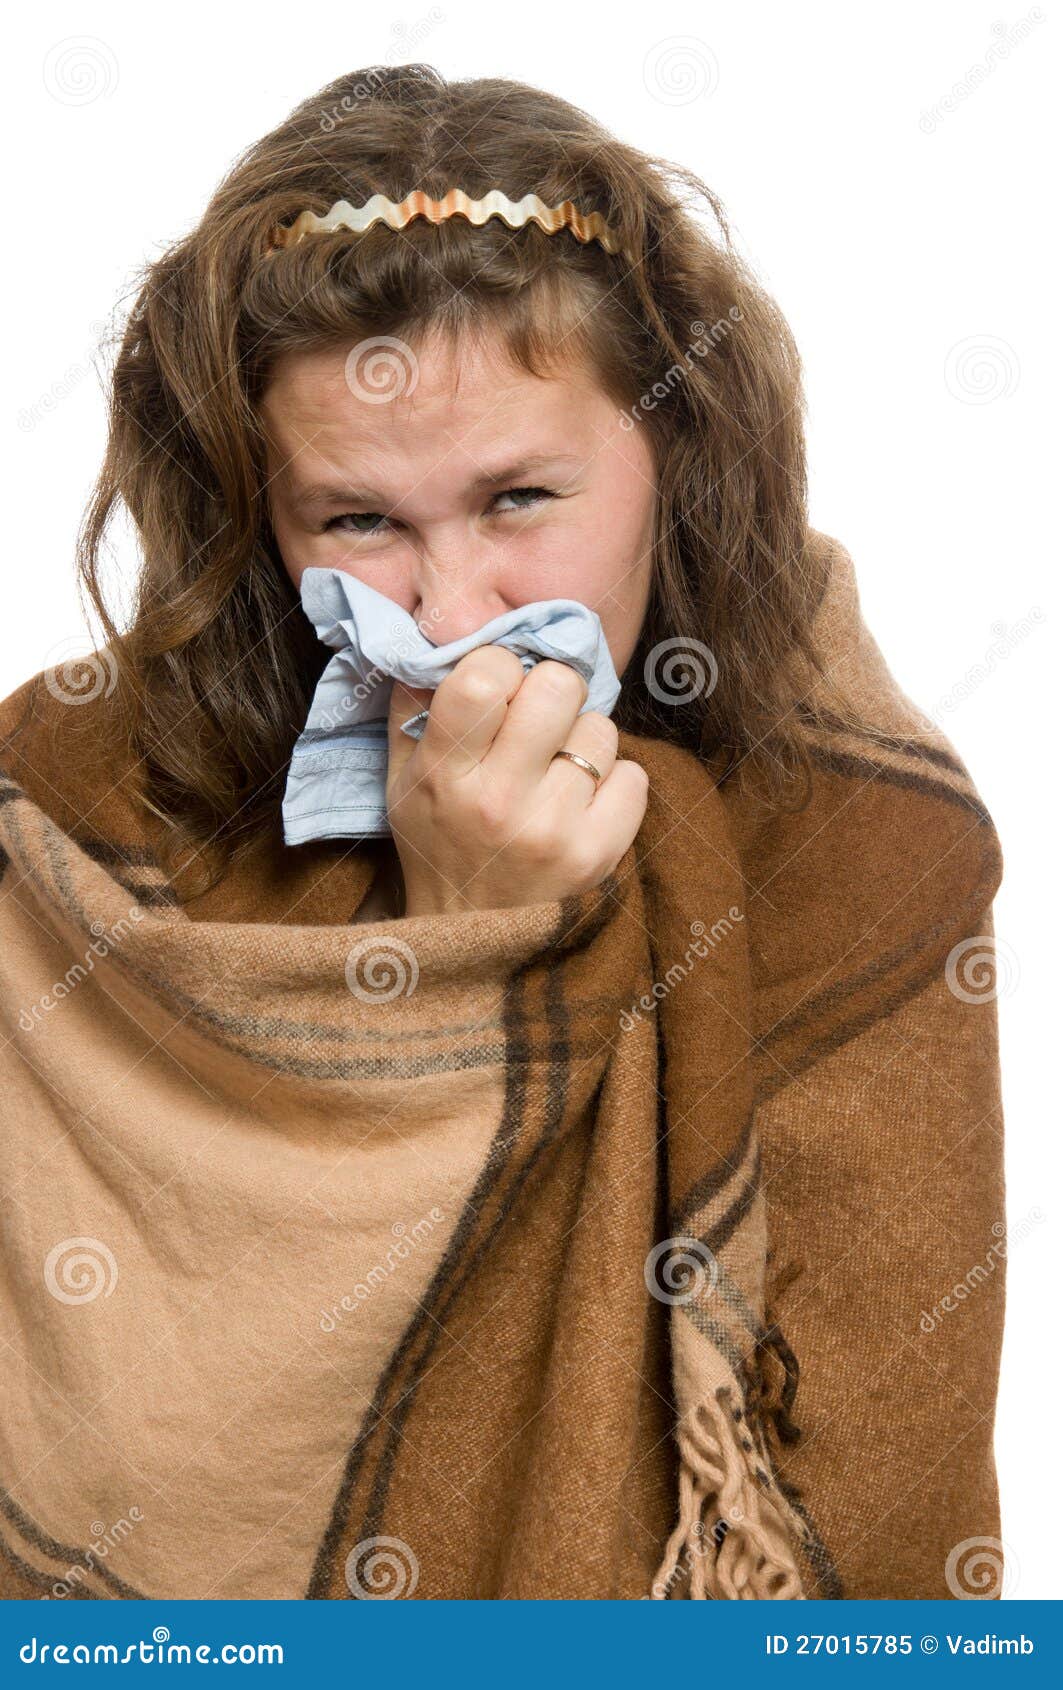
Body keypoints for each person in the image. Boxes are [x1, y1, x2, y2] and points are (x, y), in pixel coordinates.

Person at [0, 65, 1007, 1601]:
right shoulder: (78, 801)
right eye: (358, 520)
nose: (455, 609)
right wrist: (466, 938)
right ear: (256, 513)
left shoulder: (865, 836)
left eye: (522, 496)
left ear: (674, 454)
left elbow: (876, 1511)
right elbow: (136, 1439)